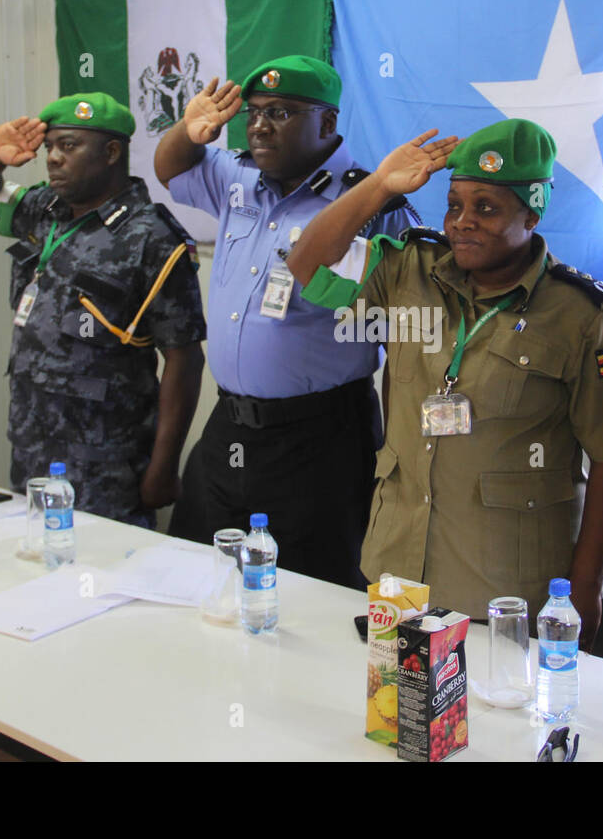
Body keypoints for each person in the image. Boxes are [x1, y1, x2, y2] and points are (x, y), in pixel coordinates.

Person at [287, 119, 603, 647]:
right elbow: (306, 263)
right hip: (398, 573)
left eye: (488, 208)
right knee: (395, 722)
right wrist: (379, 185)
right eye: (455, 205)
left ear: (533, 212)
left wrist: (588, 588)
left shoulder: (583, 315)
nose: (463, 223)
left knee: (497, 723)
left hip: (506, 589)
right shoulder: (408, 272)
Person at [153, 55, 419, 587]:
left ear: (326, 123)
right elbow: (171, 168)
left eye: (279, 112)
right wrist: (188, 129)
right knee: (203, 578)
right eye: (252, 113)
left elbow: (402, 342)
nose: (258, 125)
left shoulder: (371, 202)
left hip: (320, 436)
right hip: (228, 424)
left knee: (311, 594)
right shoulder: (238, 177)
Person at [0, 92, 205, 528]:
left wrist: (163, 469)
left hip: (106, 461)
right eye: (50, 146)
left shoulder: (151, 237)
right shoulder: (45, 209)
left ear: (112, 152)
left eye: (69, 146)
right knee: (38, 570)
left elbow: (184, 360)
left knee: (108, 581)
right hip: (32, 446)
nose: (53, 158)